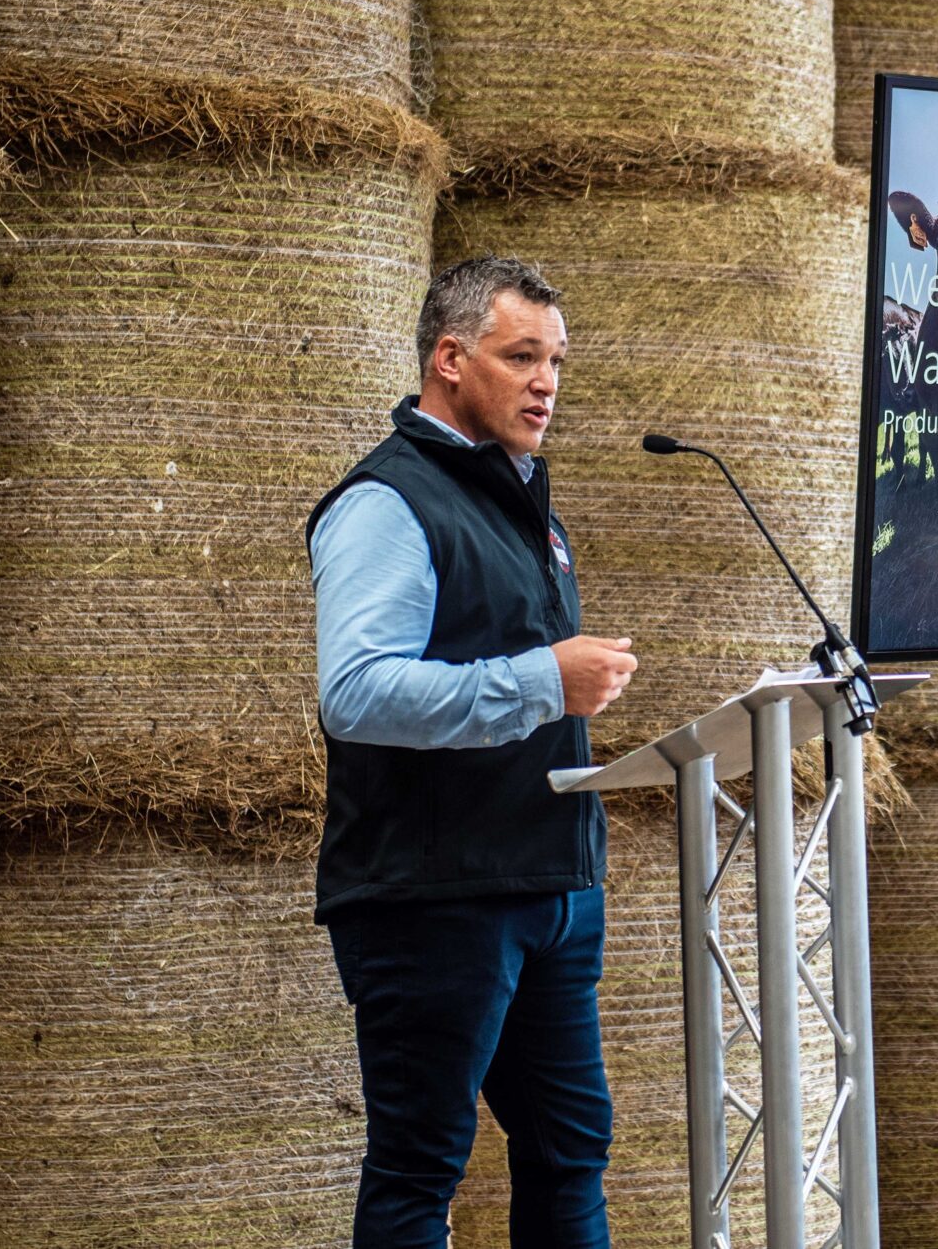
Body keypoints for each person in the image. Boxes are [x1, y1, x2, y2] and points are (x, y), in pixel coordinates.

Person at [307, 256, 639, 1248]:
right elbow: (356, 692)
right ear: (450, 359)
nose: (547, 381)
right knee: (421, 1167)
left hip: (550, 884)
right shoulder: (387, 502)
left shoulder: (525, 506)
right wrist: (545, 679)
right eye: (521, 355)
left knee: (571, 1149)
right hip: (433, 894)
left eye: (557, 360)